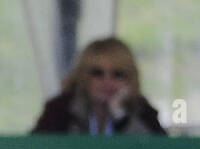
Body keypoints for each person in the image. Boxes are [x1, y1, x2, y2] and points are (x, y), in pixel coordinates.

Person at [31, 37, 166, 135]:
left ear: (129, 79)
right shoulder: (59, 110)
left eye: (117, 74)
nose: (107, 82)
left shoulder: (142, 111)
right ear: (83, 76)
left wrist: (121, 117)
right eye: (97, 73)